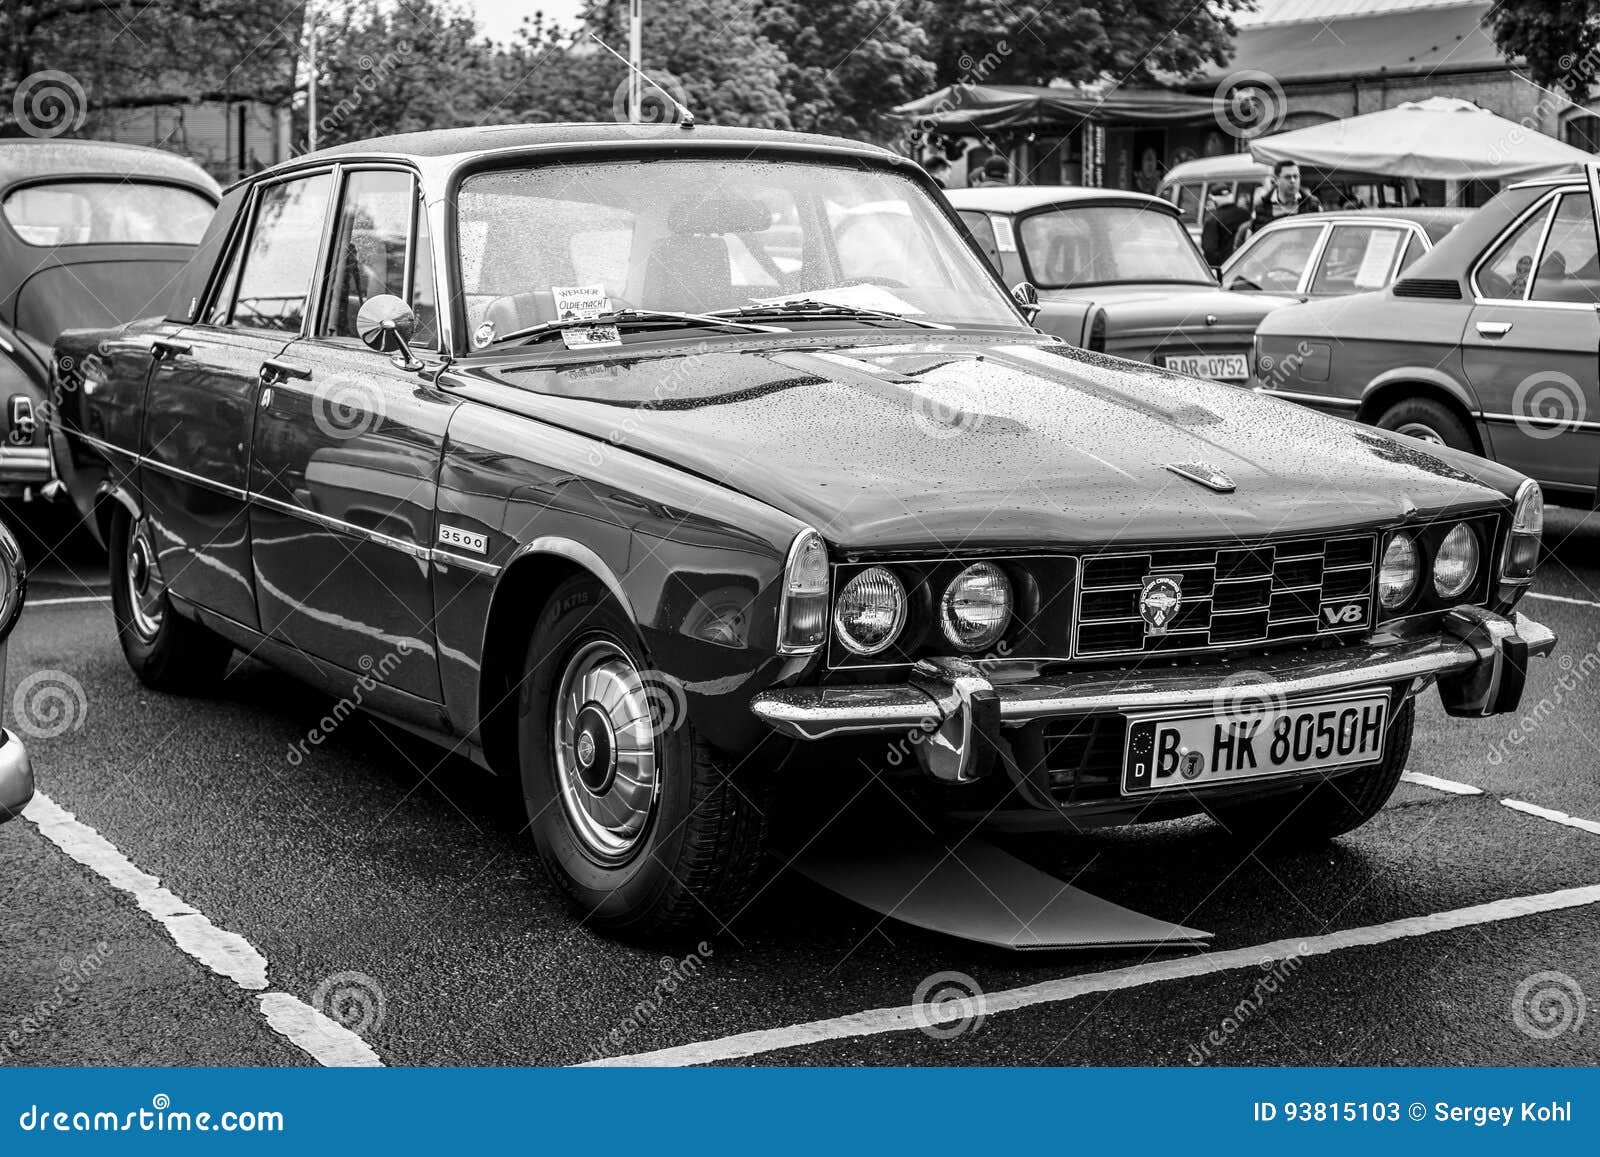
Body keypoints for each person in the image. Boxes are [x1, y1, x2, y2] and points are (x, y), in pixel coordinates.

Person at [1250, 159, 1320, 234]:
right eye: (1288, 177)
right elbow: (1251, 238)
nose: (1293, 181)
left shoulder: (1312, 204)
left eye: (1296, 176)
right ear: (1276, 180)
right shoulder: (1261, 206)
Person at [1202, 187, 1253, 268]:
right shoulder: (1246, 214)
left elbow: (1210, 250)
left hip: (1225, 268)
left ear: (1214, 200)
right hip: (1246, 264)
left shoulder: (1213, 220)